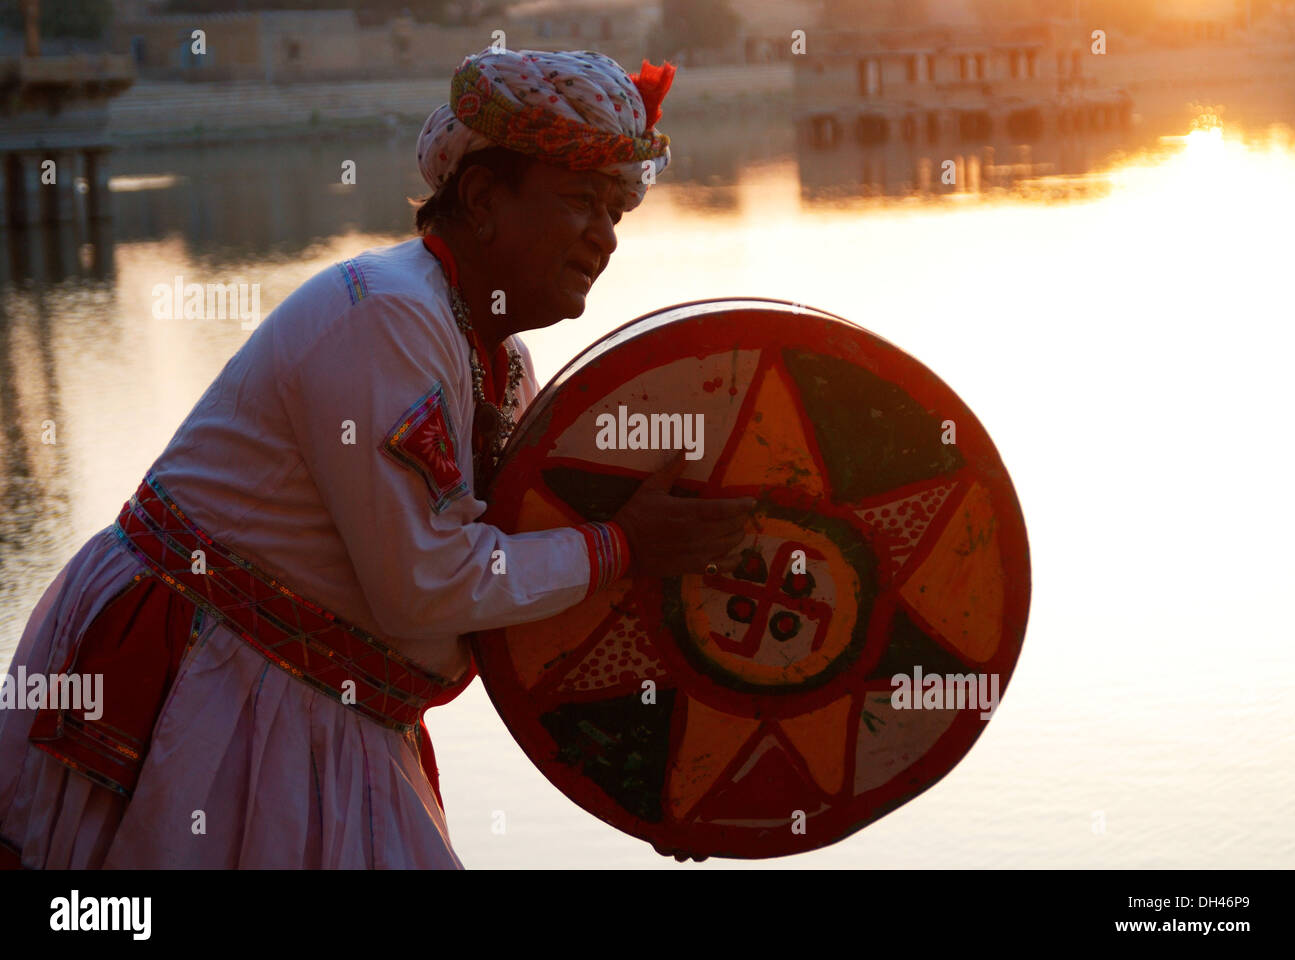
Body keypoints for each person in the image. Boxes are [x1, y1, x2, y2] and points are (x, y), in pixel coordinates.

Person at [0, 47, 754, 869]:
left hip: (326, 697)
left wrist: (649, 778)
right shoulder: (389, 319)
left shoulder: (499, 363)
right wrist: (626, 545)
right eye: (581, 200)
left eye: (616, 210)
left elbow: (538, 575)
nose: (605, 237)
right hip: (214, 681)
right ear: (483, 197)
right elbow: (430, 586)